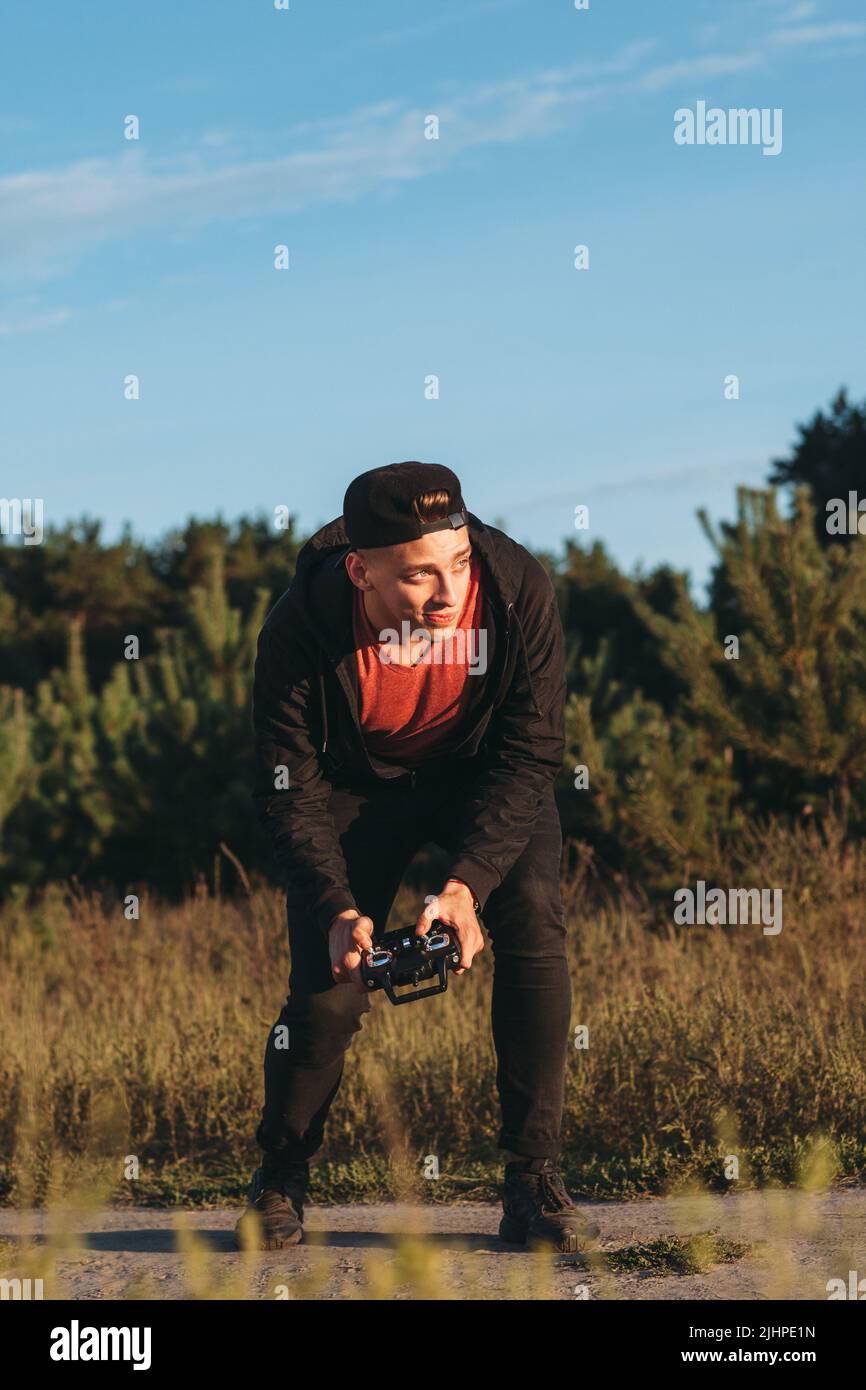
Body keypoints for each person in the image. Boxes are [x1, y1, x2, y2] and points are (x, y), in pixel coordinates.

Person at [234, 460, 599, 1254]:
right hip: (357, 785)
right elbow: (286, 789)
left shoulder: (513, 589)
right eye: (418, 576)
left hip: (482, 774)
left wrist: (466, 887)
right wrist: (335, 906)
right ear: (361, 571)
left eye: (458, 562)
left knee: (534, 919)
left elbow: (532, 750)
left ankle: (534, 1183)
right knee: (327, 990)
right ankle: (280, 1179)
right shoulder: (300, 629)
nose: (447, 593)